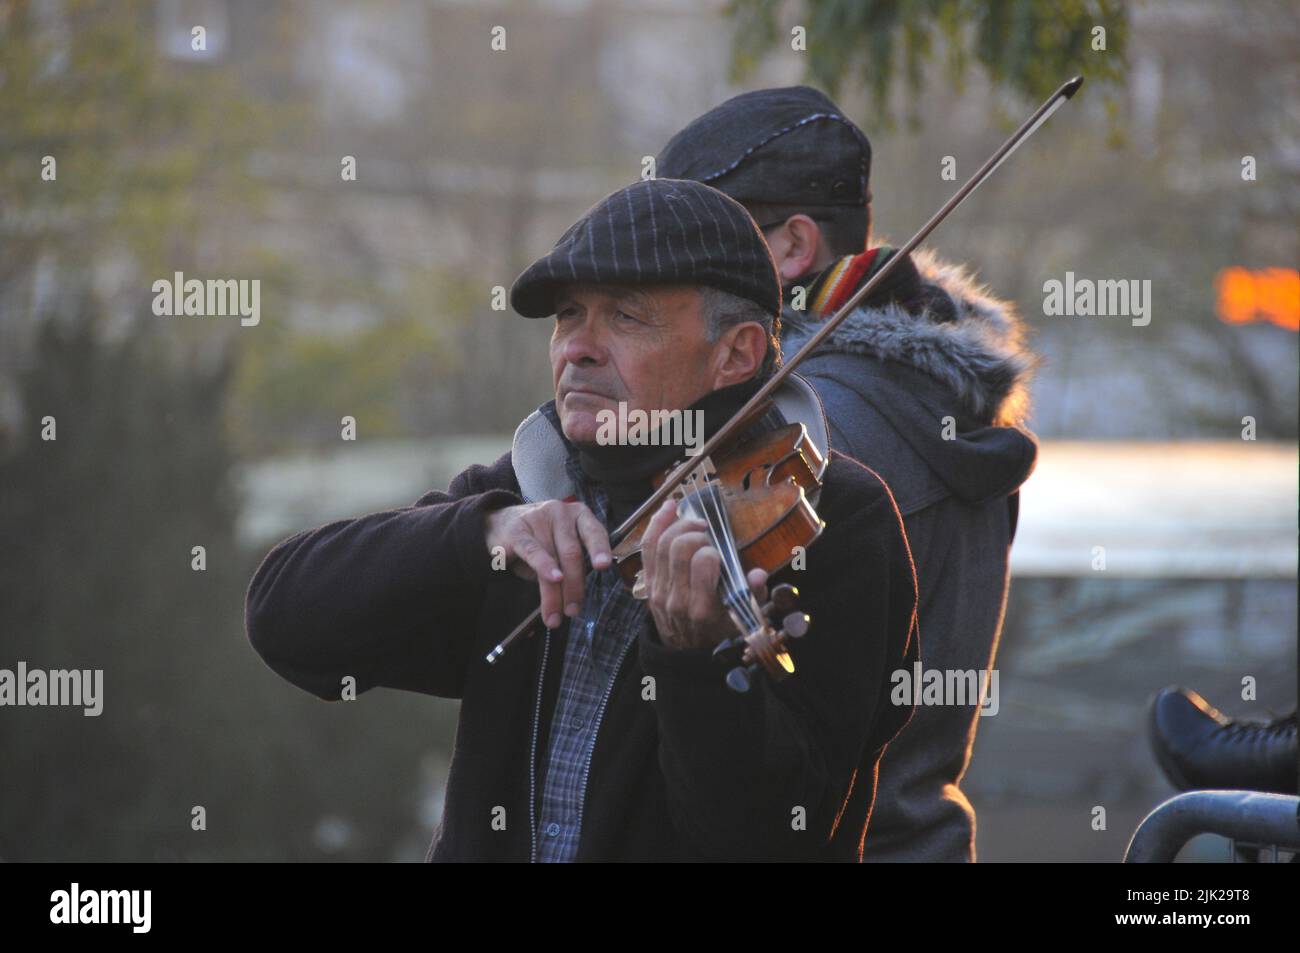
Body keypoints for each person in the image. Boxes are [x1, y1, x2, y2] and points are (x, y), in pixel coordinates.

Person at [245, 177, 919, 861]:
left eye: (625, 317)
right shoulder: (531, 489)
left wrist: (695, 663)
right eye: (569, 315)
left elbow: (773, 837)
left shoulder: (834, 523)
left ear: (737, 353)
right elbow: (285, 620)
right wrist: (478, 533)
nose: (578, 347)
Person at [657, 87, 1039, 861]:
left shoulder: (809, 427)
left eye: (690, 247)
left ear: (793, 248)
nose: (664, 280)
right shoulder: (936, 404)